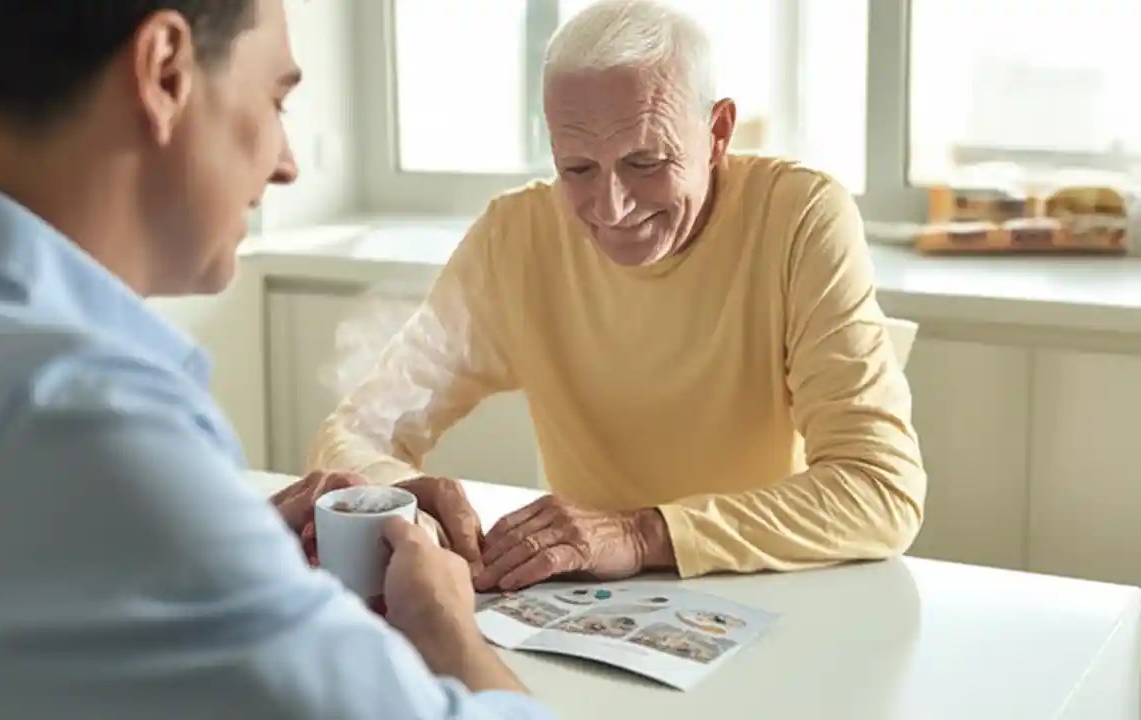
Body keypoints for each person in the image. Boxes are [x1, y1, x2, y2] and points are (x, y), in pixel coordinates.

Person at [0, 1, 549, 718]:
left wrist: (222, 547)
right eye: (277, 99)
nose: (286, 163)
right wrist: (449, 633)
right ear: (164, 73)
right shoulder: (82, 415)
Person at [309, 0, 927, 592]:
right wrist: (408, 501)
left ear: (718, 132)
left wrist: (641, 533)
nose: (610, 208)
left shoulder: (800, 217)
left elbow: (879, 490)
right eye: (577, 169)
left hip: (769, 589)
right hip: (591, 606)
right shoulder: (516, 237)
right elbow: (355, 435)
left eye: (645, 162)